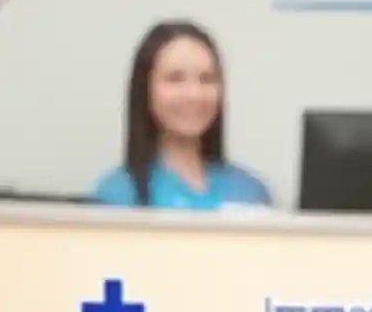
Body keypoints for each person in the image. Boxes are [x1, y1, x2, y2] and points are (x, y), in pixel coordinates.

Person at [92, 21, 272, 210]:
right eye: (175, 78)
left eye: (207, 79)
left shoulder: (250, 192)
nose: (194, 94)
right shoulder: (118, 194)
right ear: (145, 90)